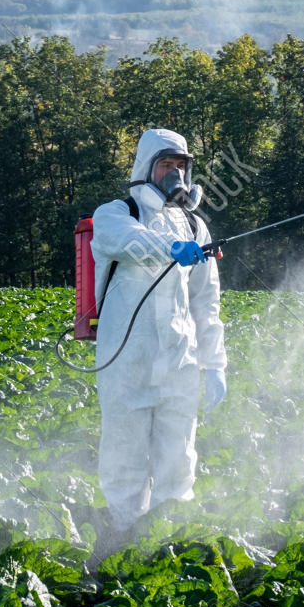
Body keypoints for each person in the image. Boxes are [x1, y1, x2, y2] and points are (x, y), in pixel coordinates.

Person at [90, 127, 227, 545]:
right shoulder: (117, 212)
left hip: (179, 363)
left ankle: (171, 544)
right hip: (125, 361)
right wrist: (169, 249)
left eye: (182, 167)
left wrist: (215, 364)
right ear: (146, 168)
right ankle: (122, 540)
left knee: (178, 461)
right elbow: (126, 241)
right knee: (124, 459)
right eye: (167, 165)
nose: (175, 175)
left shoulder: (194, 226)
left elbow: (207, 303)